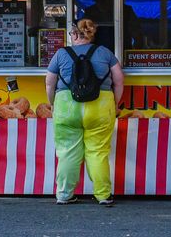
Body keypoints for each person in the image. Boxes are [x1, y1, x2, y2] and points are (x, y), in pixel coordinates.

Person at [45, 22, 124, 206]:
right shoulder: (105, 52)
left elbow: (49, 83)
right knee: (98, 152)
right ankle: (103, 195)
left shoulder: (61, 54)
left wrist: (53, 103)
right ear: (92, 34)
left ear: (73, 34)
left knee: (67, 152)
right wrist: (114, 103)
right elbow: (119, 80)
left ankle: (64, 195)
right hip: (100, 105)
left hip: (66, 106)